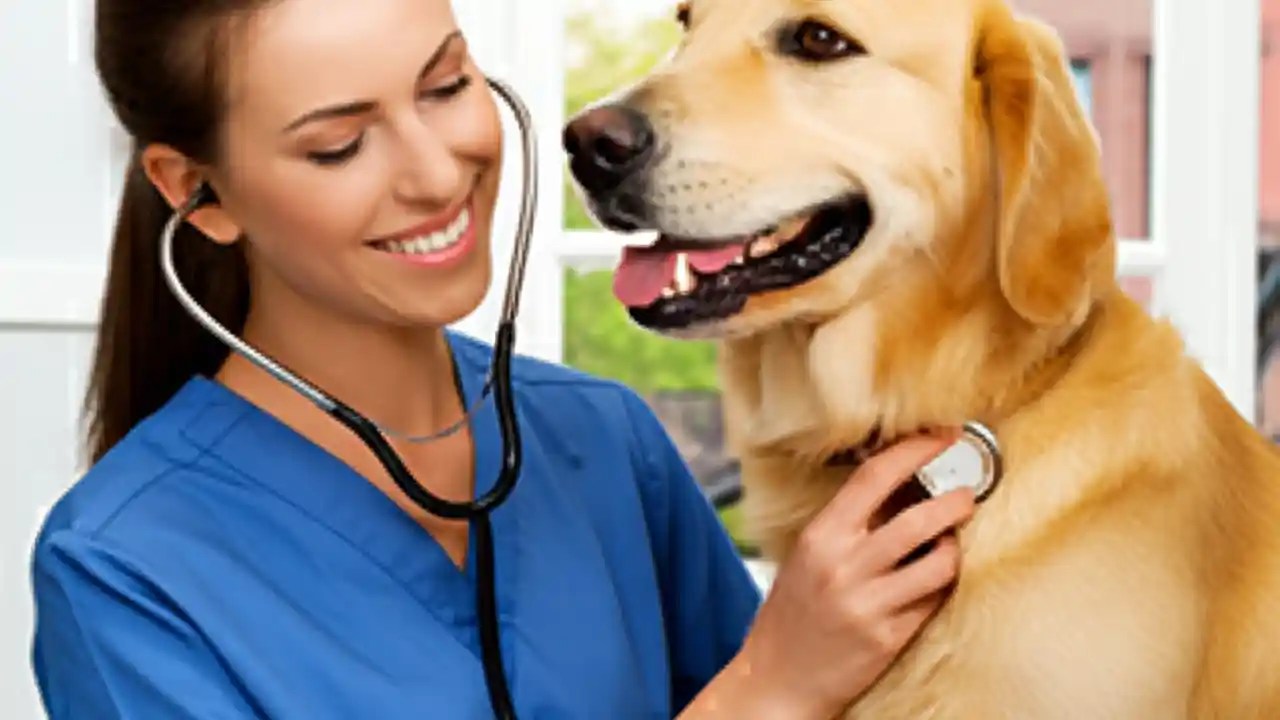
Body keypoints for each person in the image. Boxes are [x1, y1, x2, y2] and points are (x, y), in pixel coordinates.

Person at [27, 0, 977, 717]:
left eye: (445, 87)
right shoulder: (125, 571)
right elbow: (770, 689)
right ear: (197, 189)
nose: (438, 175)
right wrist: (765, 692)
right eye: (340, 144)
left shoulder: (605, 445)